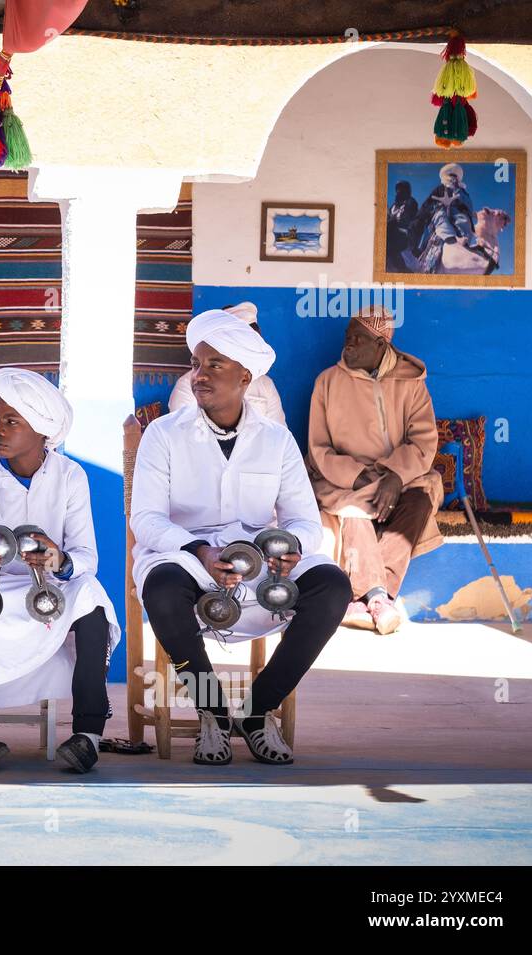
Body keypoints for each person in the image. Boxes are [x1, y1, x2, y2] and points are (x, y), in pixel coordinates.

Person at [132, 309, 352, 765]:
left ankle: (256, 711)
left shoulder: (277, 440)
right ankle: (212, 713)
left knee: (332, 586)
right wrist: (199, 548)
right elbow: (147, 520)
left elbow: (306, 523)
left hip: (261, 562)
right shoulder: (163, 435)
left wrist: (290, 549)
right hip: (190, 557)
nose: (200, 376)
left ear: (245, 376)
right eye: (196, 364)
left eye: (214, 365)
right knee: (161, 588)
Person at [0, 368, 120, 774]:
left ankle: (88, 735)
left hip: (50, 586)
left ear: (42, 431)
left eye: (11, 422)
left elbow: (86, 556)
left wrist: (59, 560)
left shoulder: (71, 475)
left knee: (92, 598)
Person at [307, 305, 443, 634]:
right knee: (354, 509)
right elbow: (318, 448)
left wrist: (395, 476)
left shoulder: (411, 383)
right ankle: (380, 599)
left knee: (420, 501)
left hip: (402, 477)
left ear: (381, 345)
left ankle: (360, 600)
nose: (348, 345)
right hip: (345, 478)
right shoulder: (327, 382)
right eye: (347, 338)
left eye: (358, 339)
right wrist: (358, 476)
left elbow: (423, 441)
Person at [168, 302, 285, 425]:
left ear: (246, 378)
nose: (199, 375)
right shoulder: (191, 385)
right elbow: (181, 436)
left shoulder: (265, 386)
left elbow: (277, 433)